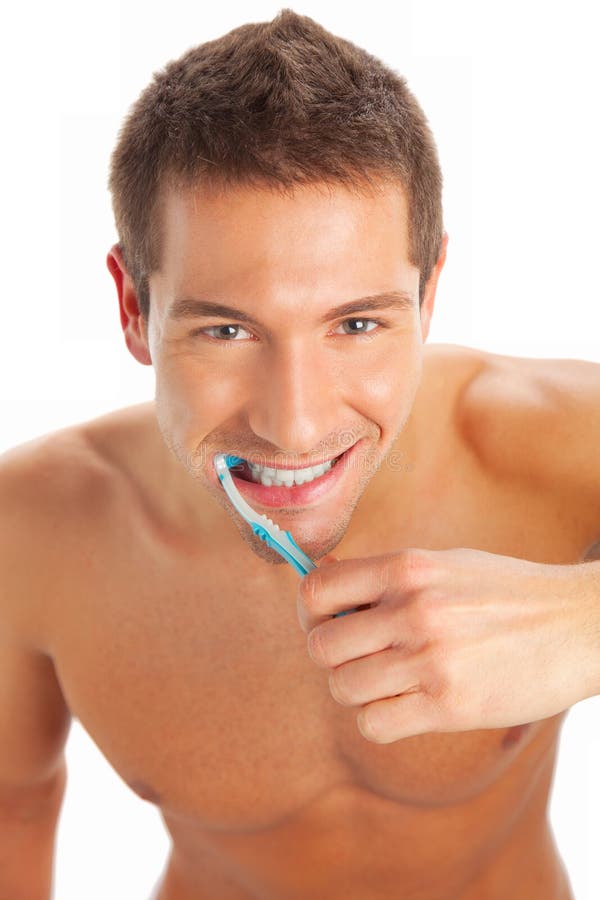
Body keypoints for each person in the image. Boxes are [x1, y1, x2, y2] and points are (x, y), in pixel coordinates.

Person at [1, 8, 598, 899]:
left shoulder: (564, 442)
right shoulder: (27, 530)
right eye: (227, 330)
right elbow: (11, 809)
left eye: (356, 325)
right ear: (134, 308)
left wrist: (587, 624)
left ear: (429, 294)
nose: (295, 425)